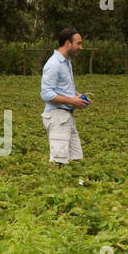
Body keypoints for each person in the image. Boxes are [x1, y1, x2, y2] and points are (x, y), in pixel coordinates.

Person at [40, 28, 89, 167]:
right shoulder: (54, 64)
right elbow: (46, 94)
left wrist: (77, 96)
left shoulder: (66, 62)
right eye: (78, 43)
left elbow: (61, 89)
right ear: (68, 43)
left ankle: (72, 186)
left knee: (76, 159)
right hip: (57, 118)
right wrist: (72, 101)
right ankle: (51, 187)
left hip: (66, 116)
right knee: (58, 162)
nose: (80, 47)